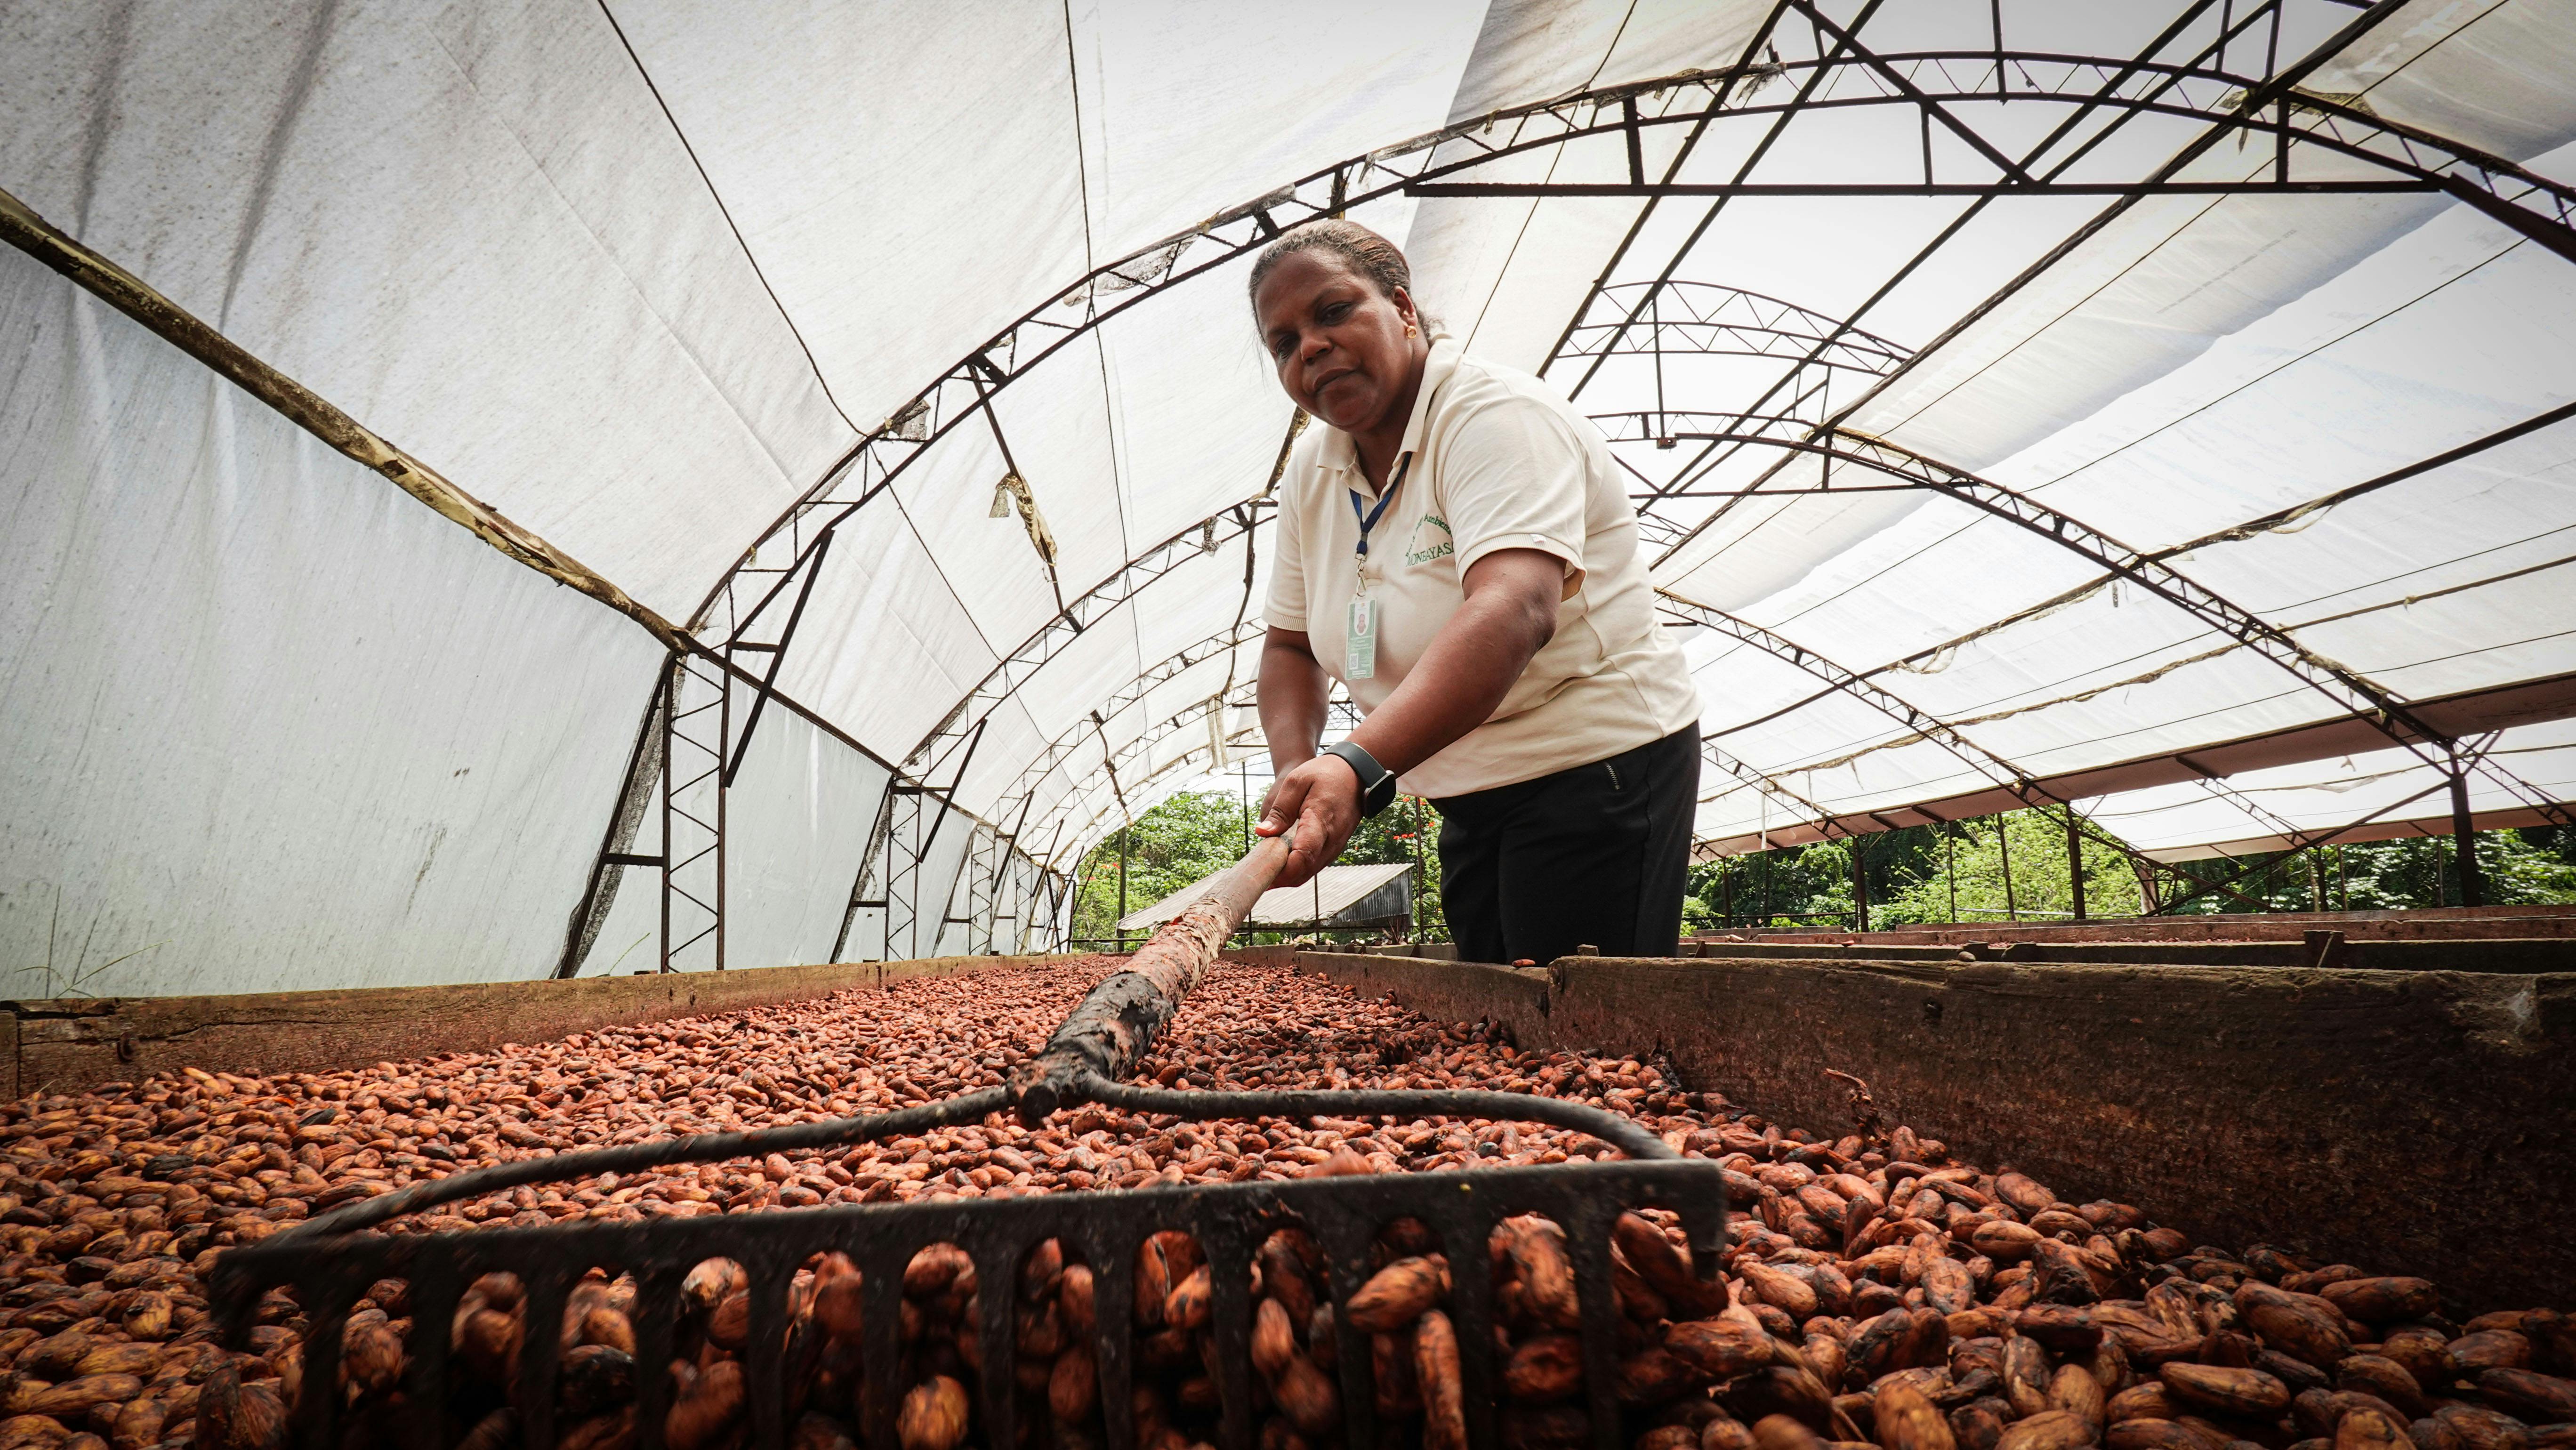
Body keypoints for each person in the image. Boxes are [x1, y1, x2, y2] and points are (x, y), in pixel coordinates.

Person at [1248, 218, 1703, 966]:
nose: (1311, 347)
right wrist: (1299, 775)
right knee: (1495, 1005)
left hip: (1594, 770)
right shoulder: (1314, 467)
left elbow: (1514, 608)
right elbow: (1291, 645)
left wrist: (1357, 766)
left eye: (1332, 312)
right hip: (1463, 787)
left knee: (1575, 1026)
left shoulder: (1495, 418)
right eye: (1284, 342)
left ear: (1401, 308)